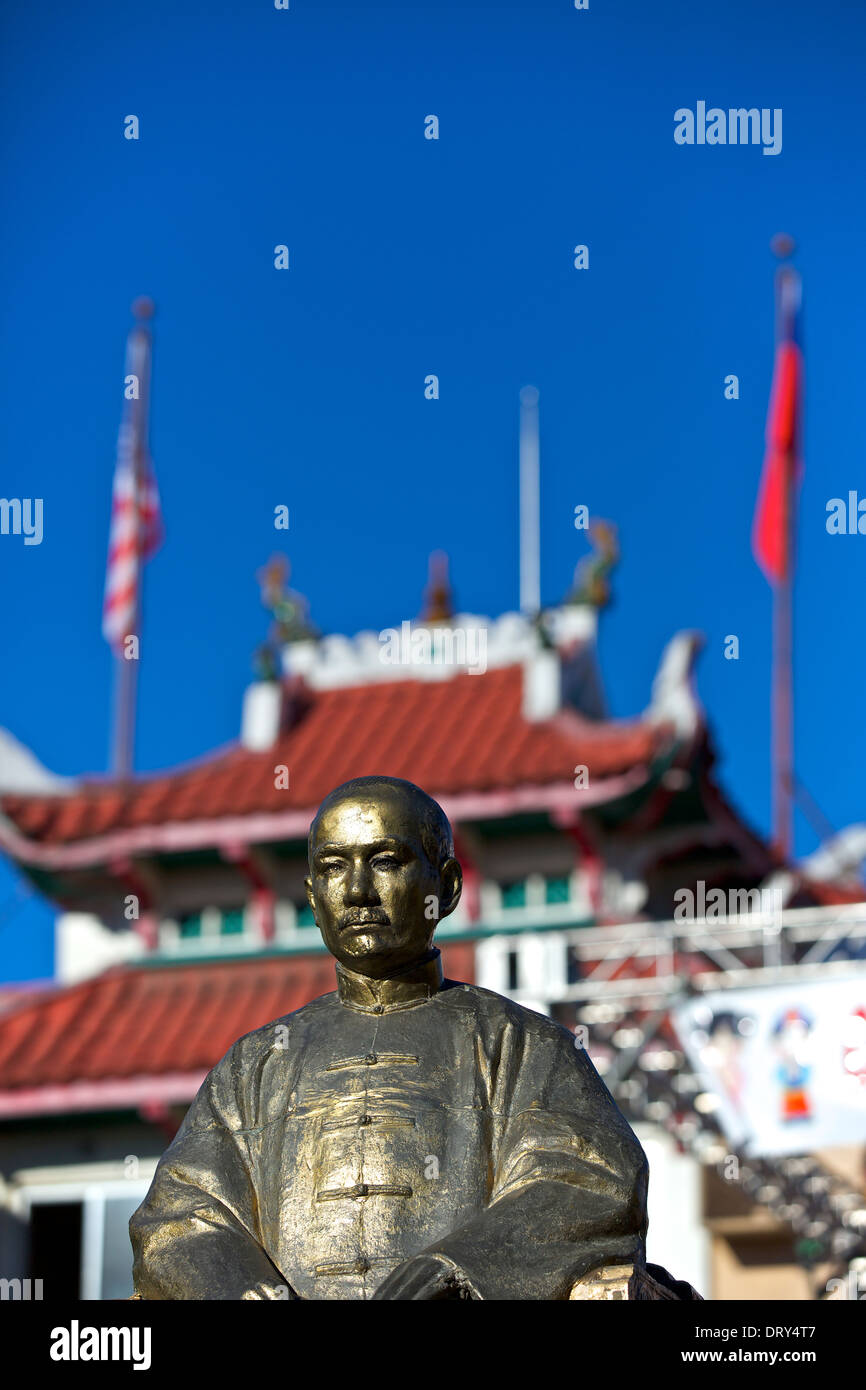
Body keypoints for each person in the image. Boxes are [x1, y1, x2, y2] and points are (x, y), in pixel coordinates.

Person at [131, 775, 651, 1300]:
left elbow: (590, 1182)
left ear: (445, 887)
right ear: (312, 897)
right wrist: (243, 1291)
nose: (358, 891)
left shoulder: (523, 1045)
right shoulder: (255, 1064)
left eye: (385, 861)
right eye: (334, 867)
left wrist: (460, 1269)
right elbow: (180, 1218)